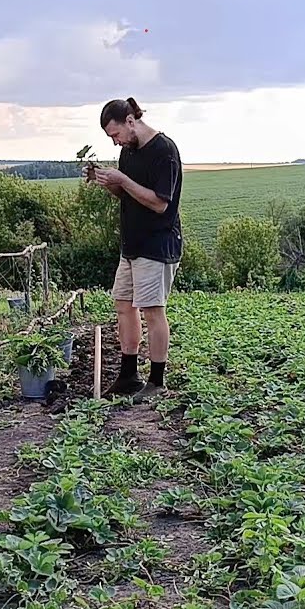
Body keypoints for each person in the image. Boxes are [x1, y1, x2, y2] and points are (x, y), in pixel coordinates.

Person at [89, 97, 183, 401]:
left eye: (115, 135)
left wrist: (123, 180)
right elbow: (128, 195)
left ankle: (157, 381)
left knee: (153, 311)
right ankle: (129, 375)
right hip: (131, 245)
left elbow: (159, 202)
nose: (116, 142)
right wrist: (106, 181)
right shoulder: (128, 153)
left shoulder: (164, 151)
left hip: (157, 243)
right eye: (110, 138)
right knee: (123, 305)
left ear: (131, 121)